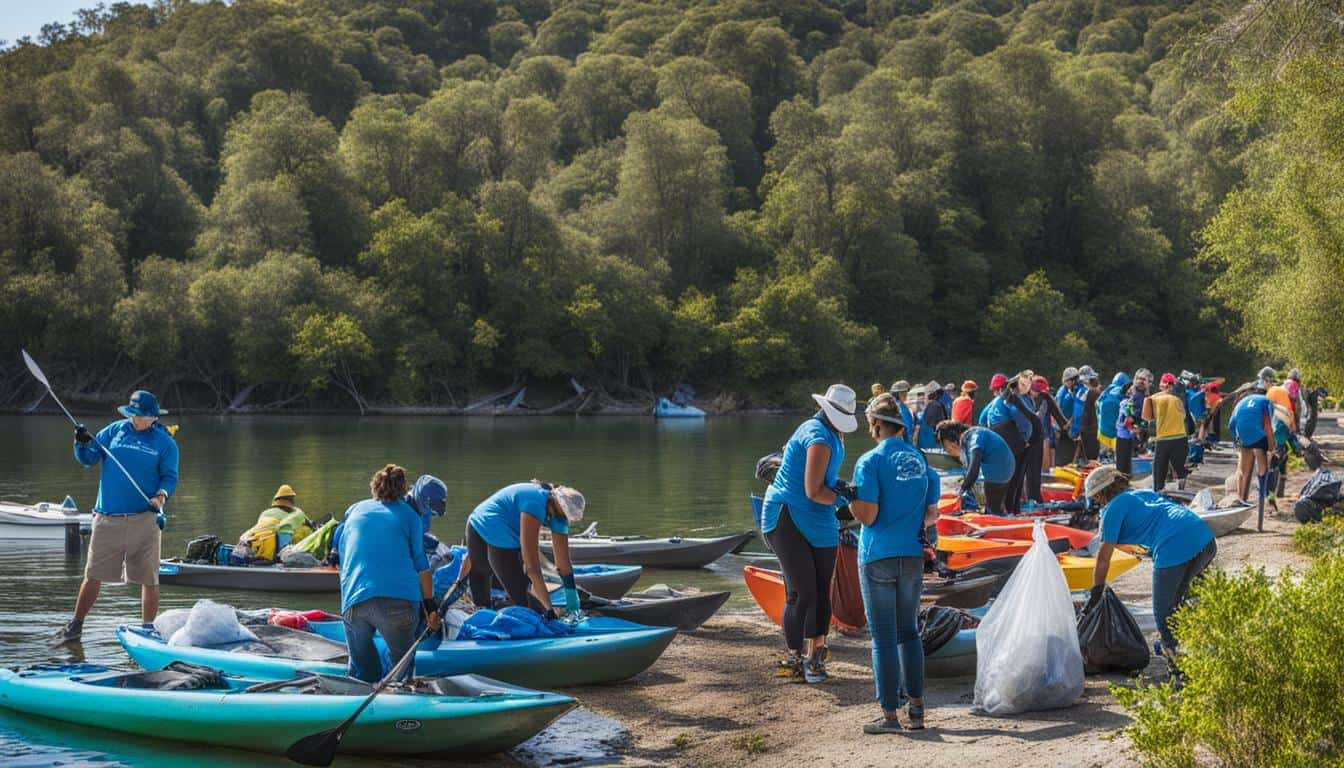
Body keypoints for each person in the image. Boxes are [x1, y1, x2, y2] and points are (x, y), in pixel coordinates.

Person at [849, 394, 940, 733]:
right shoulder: (920, 459)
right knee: (909, 632)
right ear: (901, 425)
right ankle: (917, 711)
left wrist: (850, 500)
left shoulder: (869, 461)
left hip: (877, 555)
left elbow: (868, 515)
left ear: (875, 424)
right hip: (913, 555)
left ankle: (889, 716)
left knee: (884, 637)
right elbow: (931, 515)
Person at [61, 390, 178, 642]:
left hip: (145, 518)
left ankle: (147, 630)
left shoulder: (165, 442)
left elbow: (169, 477)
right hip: (107, 518)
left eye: (141, 416)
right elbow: (88, 459)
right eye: (133, 415)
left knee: (149, 577)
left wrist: (160, 497)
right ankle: (76, 625)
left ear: (153, 417)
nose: (136, 420)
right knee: (92, 574)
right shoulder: (114, 431)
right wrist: (81, 442)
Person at [761, 384, 857, 682]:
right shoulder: (817, 436)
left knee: (821, 590)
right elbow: (814, 491)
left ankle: (816, 656)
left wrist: (839, 489)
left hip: (819, 518)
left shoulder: (834, 434)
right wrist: (844, 498)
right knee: (802, 592)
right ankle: (793, 657)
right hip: (788, 515)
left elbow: (822, 484)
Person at [1082, 466, 1215, 670]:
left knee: (1163, 614)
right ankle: (1195, 652)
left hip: (1173, 544)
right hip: (1204, 537)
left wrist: (1097, 589)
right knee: (1182, 603)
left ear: (1100, 493)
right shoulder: (1141, 494)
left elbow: (1103, 557)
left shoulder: (1112, 509)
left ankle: (1177, 669)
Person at [332, 464, 441, 683]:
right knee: (401, 669)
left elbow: (337, 553)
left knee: (362, 673)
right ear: (404, 490)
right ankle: (400, 700)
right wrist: (431, 608)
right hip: (398, 604)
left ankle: (360, 698)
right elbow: (422, 567)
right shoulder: (411, 517)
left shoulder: (354, 509)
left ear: (375, 486)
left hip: (355, 603)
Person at [463, 481, 584, 617]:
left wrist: (573, 600)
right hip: (487, 523)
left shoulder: (560, 518)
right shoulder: (535, 504)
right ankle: (482, 614)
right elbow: (532, 567)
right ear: (555, 501)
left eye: (566, 517)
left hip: (508, 530)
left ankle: (507, 609)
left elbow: (563, 563)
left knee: (518, 586)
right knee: (489, 576)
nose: (562, 519)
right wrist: (549, 610)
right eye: (562, 514)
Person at [979, 373, 1040, 513]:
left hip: (1010, 443)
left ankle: (1004, 511)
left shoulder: (1003, 401)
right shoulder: (1024, 399)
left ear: (1001, 389)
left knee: (1007, 481)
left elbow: (983, 423)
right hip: (1019, 443)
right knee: (1016, 480)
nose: (994, 393)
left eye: (995, 390)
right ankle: (1012, 509)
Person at [938, 421, 1014, 515]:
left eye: (949, 450)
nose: (951, 453)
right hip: (1006, 468)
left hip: (997, 469)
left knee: (993, 508)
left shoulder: (973, 438)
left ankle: (997, 521)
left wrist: (961, 491)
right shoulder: (974, 433)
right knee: (994, 505)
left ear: (953, 441)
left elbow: (973, 470)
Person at [237, 485, 313, 562]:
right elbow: (311, 525)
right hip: (281, 542)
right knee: (305, 530)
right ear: (291, 500)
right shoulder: (297, 513)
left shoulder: (264, 513)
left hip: (258, 541)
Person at [1144, 373, 1189, 492]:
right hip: (1180, 436)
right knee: (1179, 467)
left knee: (1159, 465)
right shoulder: (1179, 398)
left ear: (1163, 385)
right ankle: (1181, 484)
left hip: (1164, 438)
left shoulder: (1154, 399)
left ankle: (1158, 489)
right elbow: (1184, 416)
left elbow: (1147, 417)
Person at [1229, 391, 1275, 504]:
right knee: (1262, 464)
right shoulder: (1267, 402)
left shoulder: (1239, 404)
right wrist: (1271, 447)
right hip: (1258, 436)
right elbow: (1267, 426)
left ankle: (1241, 498)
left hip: (1242, 435)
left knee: (1244, 470)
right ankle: (1264, 495)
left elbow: (1231, 425)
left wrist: (1237, 444)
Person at [1029, 375, 1068, 498]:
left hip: (1044, 435)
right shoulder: (1023, 398)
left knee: (1044, 464)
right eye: (1036, 392)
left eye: (1041, 393)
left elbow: (1058, 417)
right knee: (1031, 467)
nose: (1038, 395)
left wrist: (1067, 427)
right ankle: (1033, 493)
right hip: (1029, 437)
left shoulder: (1046, 398)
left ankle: (1042, 491)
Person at [1056, 367, 1085, 465]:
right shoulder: (1062, 391)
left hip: (1074, 427)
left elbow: (1078, 413)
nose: (1065, 383)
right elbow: (1057, 407)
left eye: (1067, 381)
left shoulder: (1081, 391)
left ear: (1073, 381)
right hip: (1063, 426)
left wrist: (1072, 428)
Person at [1098, 372, 1129, 459]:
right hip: (1116, 434)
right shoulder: (1123, 392)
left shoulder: (1106, 391)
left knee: (1104, 456)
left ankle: (1102, 459)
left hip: (1102, 432)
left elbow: (1097, 407)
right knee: (1120, 456)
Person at [1078, 367, 1103, 461]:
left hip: (1088, 430)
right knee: (1093, 459)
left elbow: (1086, 413)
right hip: (1096, 429)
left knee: (1090, 460)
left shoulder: (1091, 392)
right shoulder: (1099, 391)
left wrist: (1079, 428)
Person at [915, 381, 947, 450]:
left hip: (930, 441)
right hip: (931, 440)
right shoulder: (938, 404)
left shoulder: (934, 406)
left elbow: (932, 425)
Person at [1115, 383, 1138, 476]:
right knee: (1124, 465)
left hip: (1122, 436)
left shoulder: (1124, 402)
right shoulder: (1128, 403)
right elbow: (1127, 421)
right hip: (1125, 437)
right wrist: (1136, 430)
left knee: (1123, 463)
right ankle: (1123, 481)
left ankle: (1123, 480)